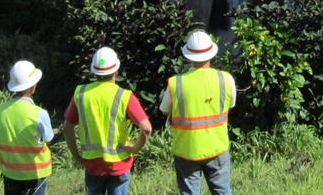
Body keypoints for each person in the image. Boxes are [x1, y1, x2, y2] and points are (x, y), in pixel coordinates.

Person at [64, 47, 152, 195]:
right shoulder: (124, 95)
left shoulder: (81, 93)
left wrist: (77, 156)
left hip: (92, 165)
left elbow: (67, 128)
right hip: (120, 165)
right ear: (116, 70)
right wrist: (135, 149)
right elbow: (147, 128)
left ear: (94, 71)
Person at [160, 31, 236, 195]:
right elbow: (231, 104)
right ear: (212, 53)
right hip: (217, 147)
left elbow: (164, 110)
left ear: (188, 56)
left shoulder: (175, 83)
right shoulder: (226, 79)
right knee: (222, 191)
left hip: (186, 150)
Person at [0, 60, 53, 195]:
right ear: (33, 87)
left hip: (10, 171)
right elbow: (49, 139)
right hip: (36, 171)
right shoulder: (39, 113)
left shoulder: (0, 110)